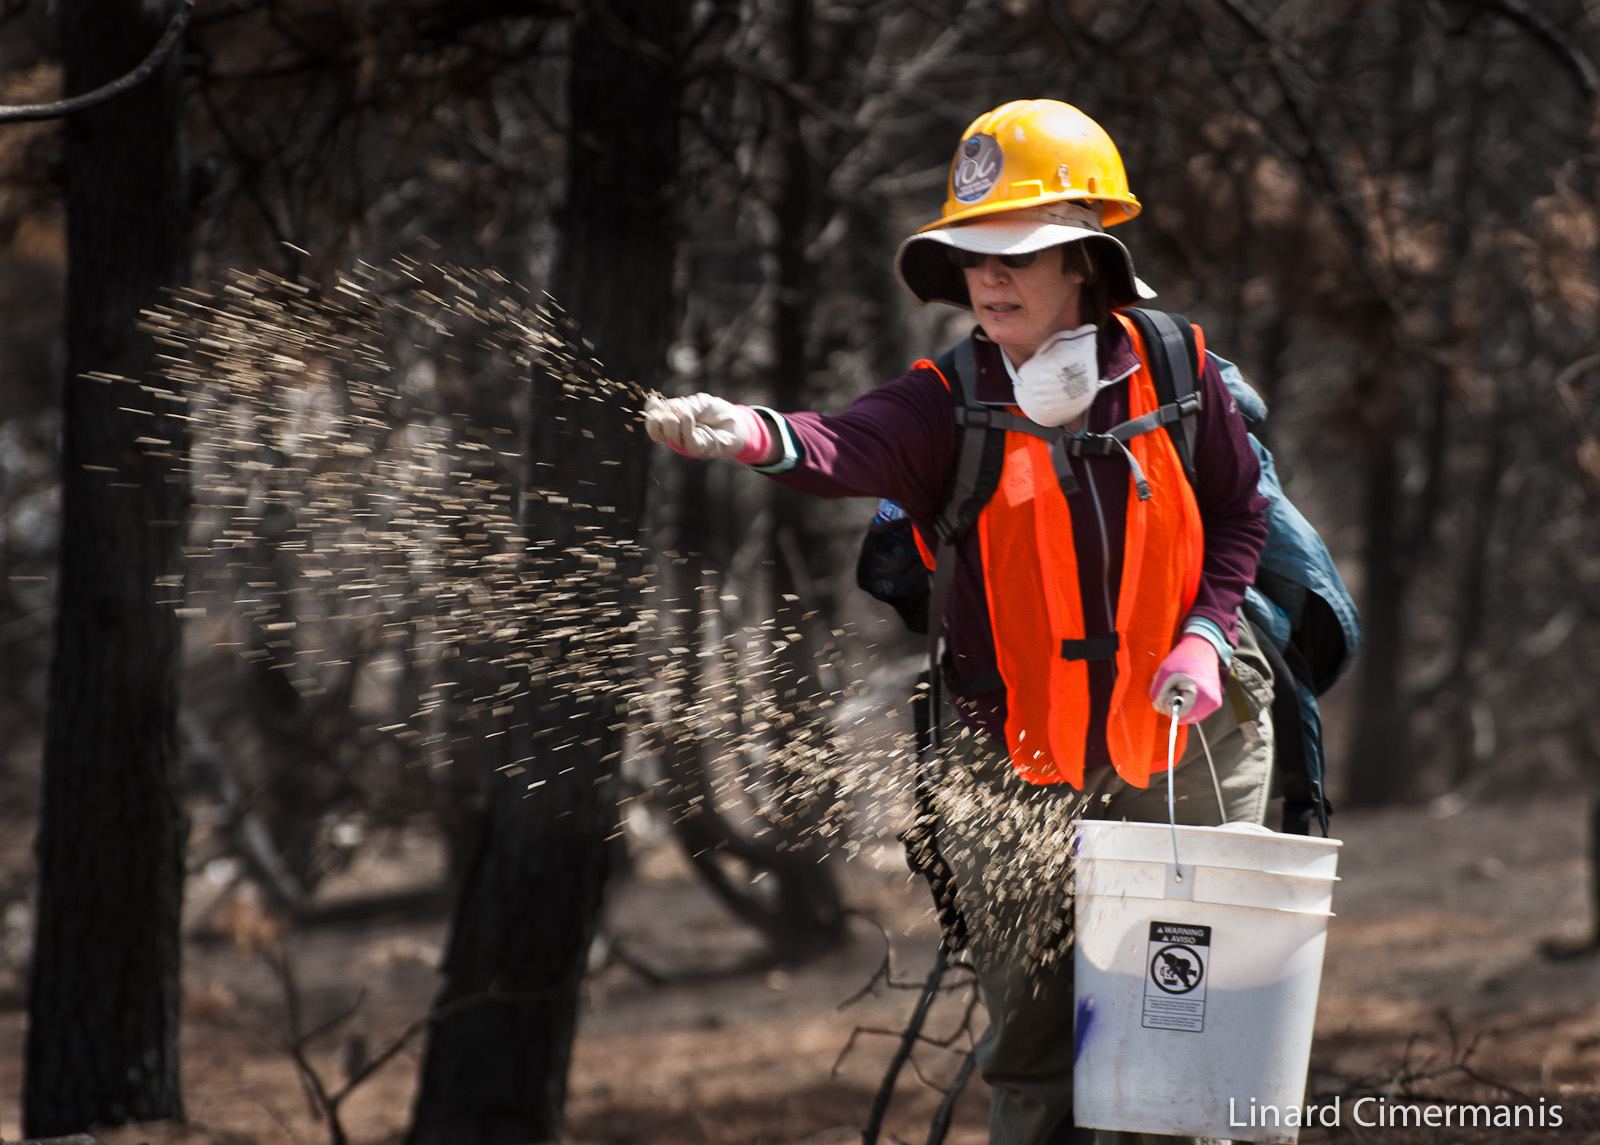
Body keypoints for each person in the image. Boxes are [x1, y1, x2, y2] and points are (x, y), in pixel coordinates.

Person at [645, 99, 1274, 1145]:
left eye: (1016, 252)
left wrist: (1207, 634)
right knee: (1033, 1053)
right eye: (973, 253)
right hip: (1008, 763)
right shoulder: (945, 399)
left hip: (1187, 747)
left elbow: (1240, 516)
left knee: (1190, 1041)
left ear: (1084, 255)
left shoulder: (1179, 370)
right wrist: (753, 433)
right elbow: (846, 444)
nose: (989, 276)